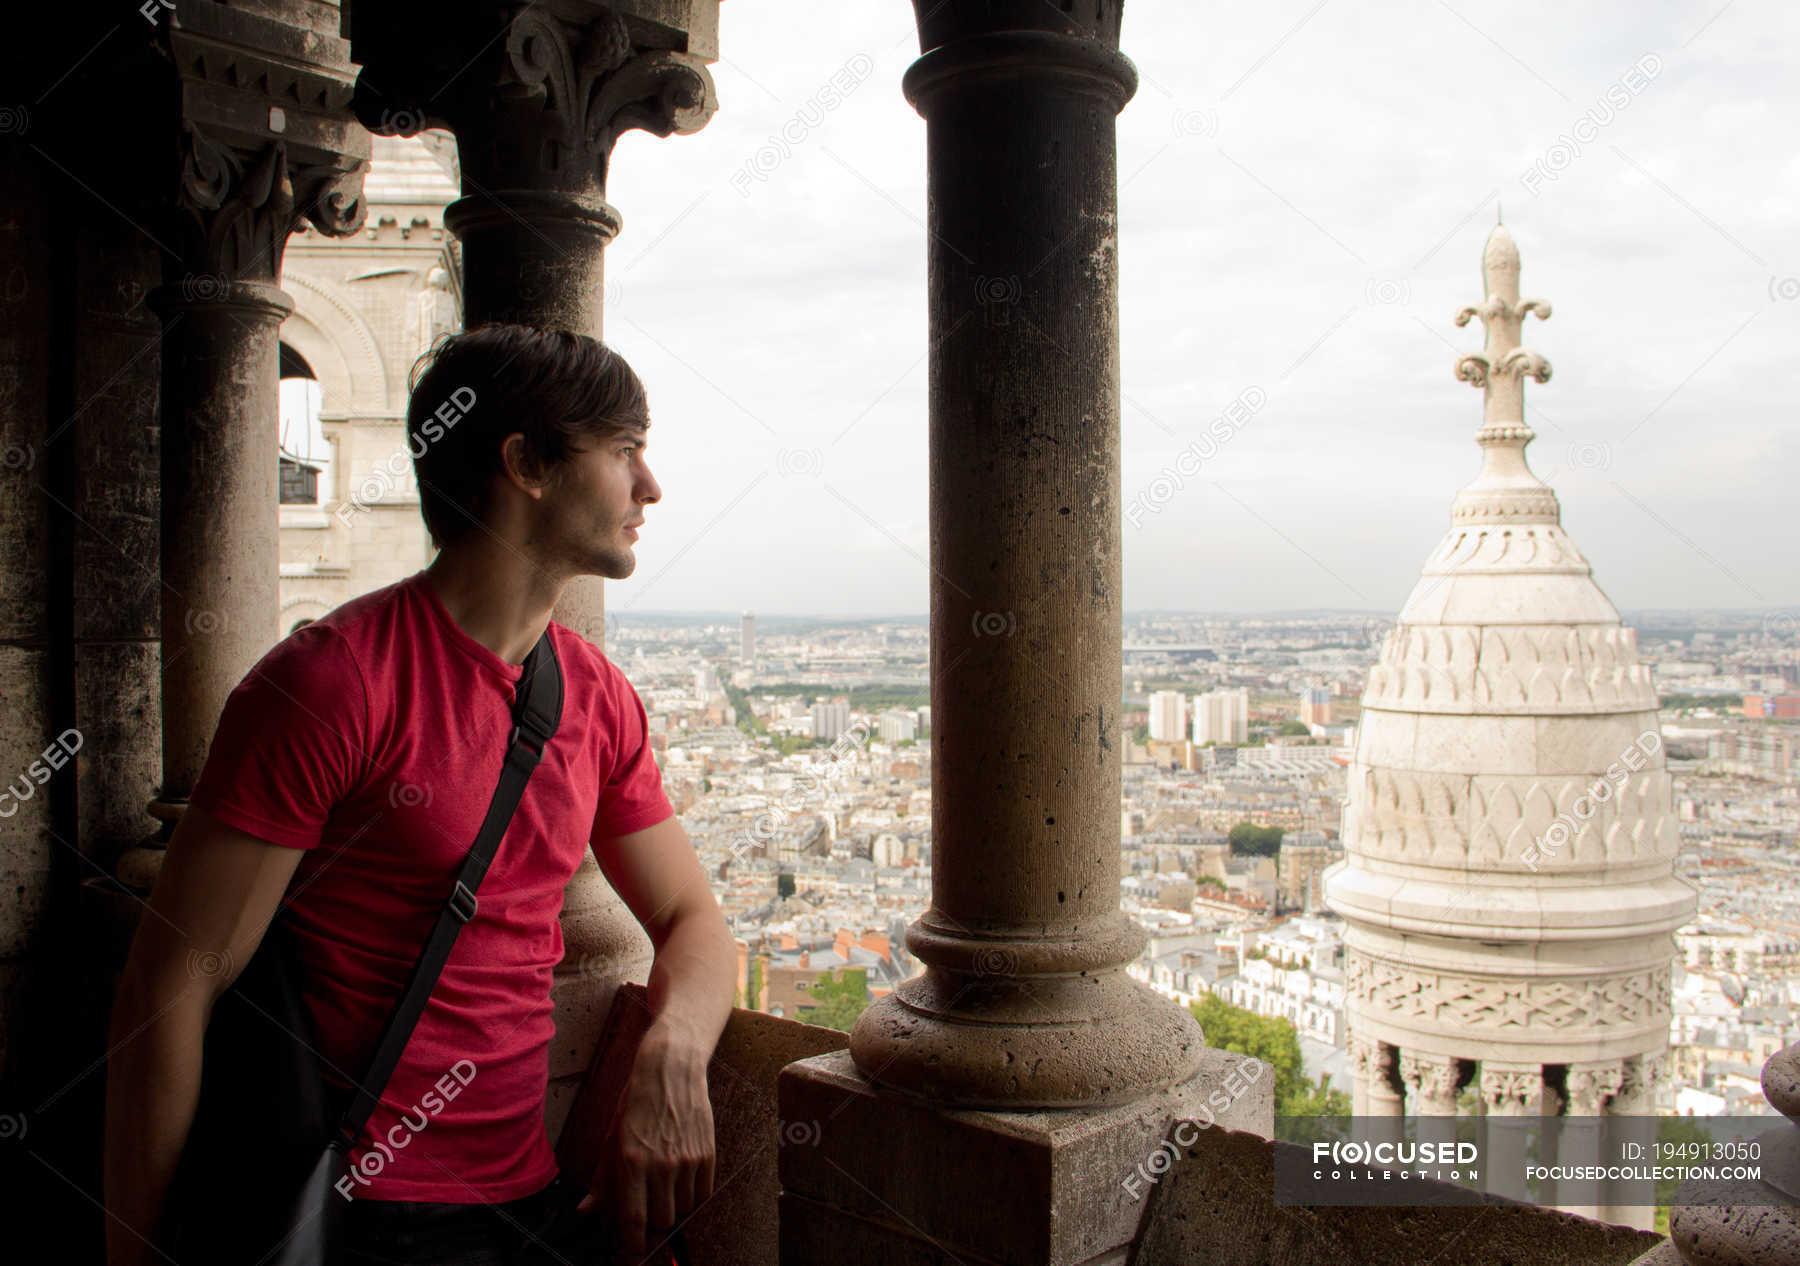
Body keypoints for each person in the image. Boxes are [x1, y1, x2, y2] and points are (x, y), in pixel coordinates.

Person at [103, 325, 738, 1265]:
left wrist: (676, 1047)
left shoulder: (595, 697)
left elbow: (693, 916)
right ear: (524, 463)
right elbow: (173, 985)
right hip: (362, 1211)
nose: (649, 487)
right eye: (624, 450)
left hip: (531, 1194)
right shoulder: (333, 684)